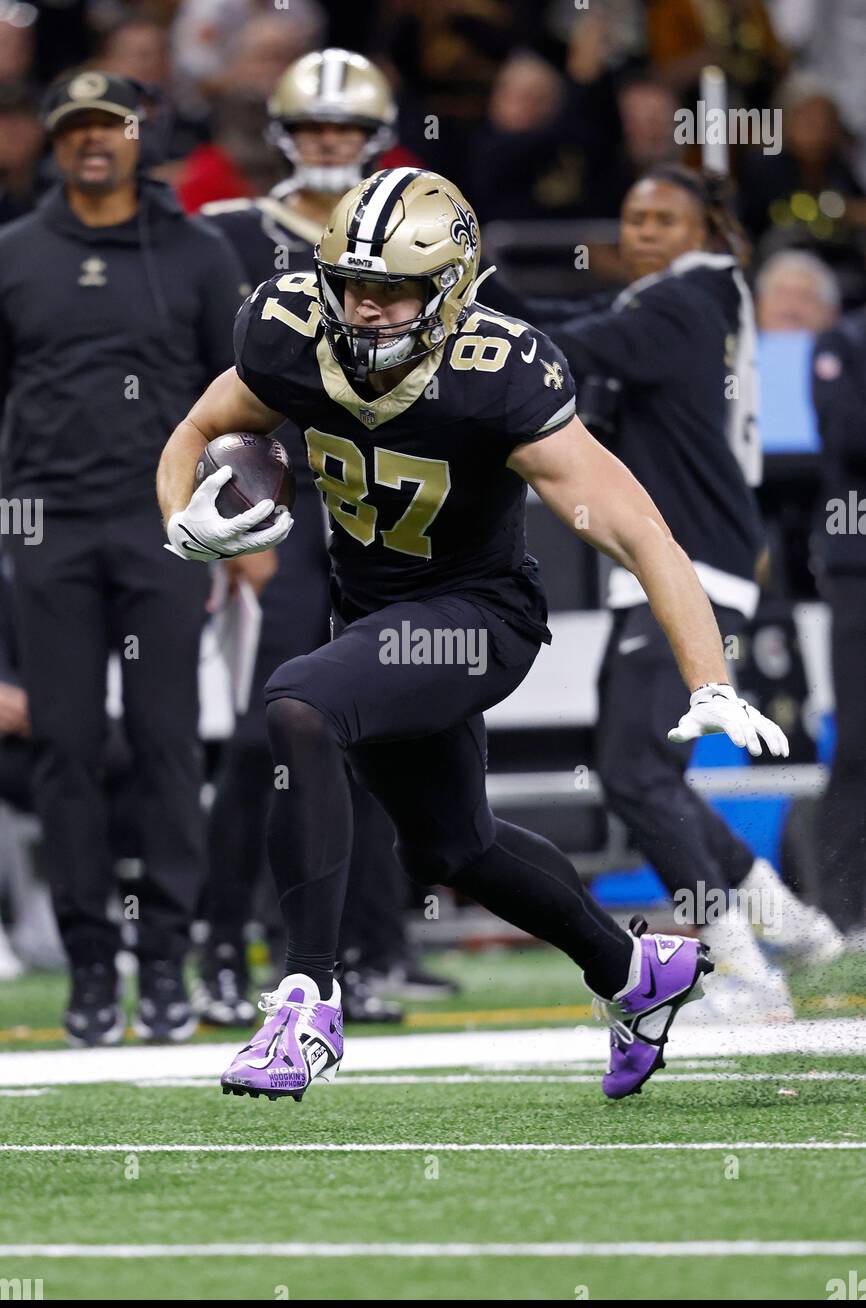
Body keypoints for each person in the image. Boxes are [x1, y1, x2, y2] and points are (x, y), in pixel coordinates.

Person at [157, 165, 790, 1103]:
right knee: (453, 849)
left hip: (475, 620)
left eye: (393, 291)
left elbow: (637, 529)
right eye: (352, 286)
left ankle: (306, 1000)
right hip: (370, 613)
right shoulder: (288, 329)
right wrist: (181, 520)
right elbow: (201, 424)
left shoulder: (497, 375)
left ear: (448, 291)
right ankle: (632, 973)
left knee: (296, 705)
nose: (366, 310)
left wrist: (710, 680)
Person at [547, 165, 844, 1021]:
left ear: (706, 230)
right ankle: (784, 919)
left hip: (687, 566)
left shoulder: (682, 300)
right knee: (645, 770)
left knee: (636, 771)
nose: (642, 230)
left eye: (663, 218)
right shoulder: (709, 300)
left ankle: (745, 975)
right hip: (683, 561)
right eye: (634, 215)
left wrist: (467, 317)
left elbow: (578, 340)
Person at [197, 50, 452, 1026]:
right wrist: (237, 510)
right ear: (284, 138)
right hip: (289, 497)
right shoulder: (230, 233)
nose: (330, 146)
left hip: (384, 498)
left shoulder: (415, 232)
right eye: (314, 132)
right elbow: (207, 378)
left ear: (372, 135)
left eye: (345, 132)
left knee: (378, 724)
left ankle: (360, 950)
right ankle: (225, 942)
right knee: (274, 725)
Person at [0, 71, 247, 1046]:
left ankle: (167, 963)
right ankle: (93, 967)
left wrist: (241, 522)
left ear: (140, 135)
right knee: (63, 747)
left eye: (109, 125)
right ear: (53, 143)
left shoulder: (197, 252)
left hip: (165, 527)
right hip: (46, 528)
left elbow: (240, 394)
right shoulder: (13, 255)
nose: (92, 142)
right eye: (75, 128)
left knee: (166, 743)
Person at [811, 304, 866, 940]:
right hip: (858, 570)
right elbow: (849, 433)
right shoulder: (842, 339)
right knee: (859, 741)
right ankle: (841, 908)